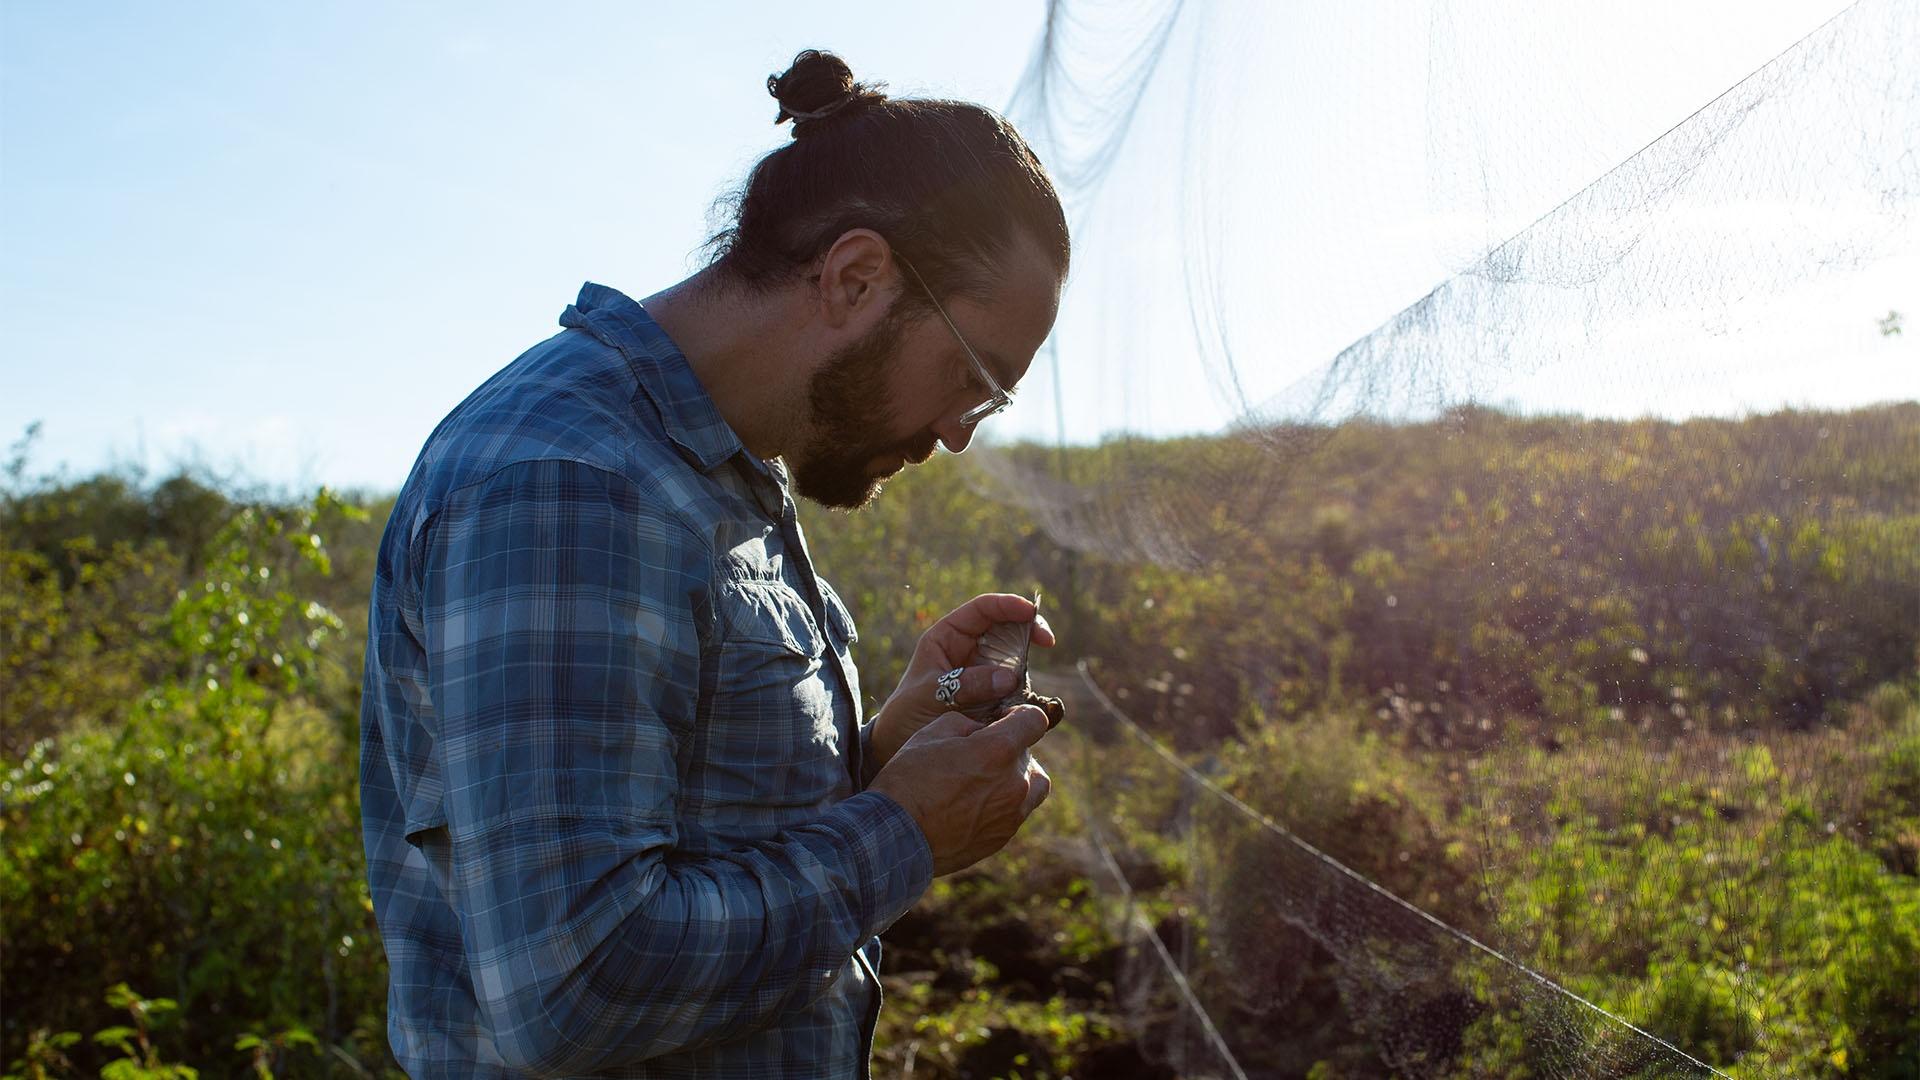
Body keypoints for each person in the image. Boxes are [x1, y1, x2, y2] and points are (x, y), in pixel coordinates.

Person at [358, 48, 1071, 1079]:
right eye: (972, 379)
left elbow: (686, 823)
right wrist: (901, 834)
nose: (959, 433)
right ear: (855, 277)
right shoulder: (574, 481)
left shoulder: (711, 467)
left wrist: (874, 755)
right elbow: (578, 987)